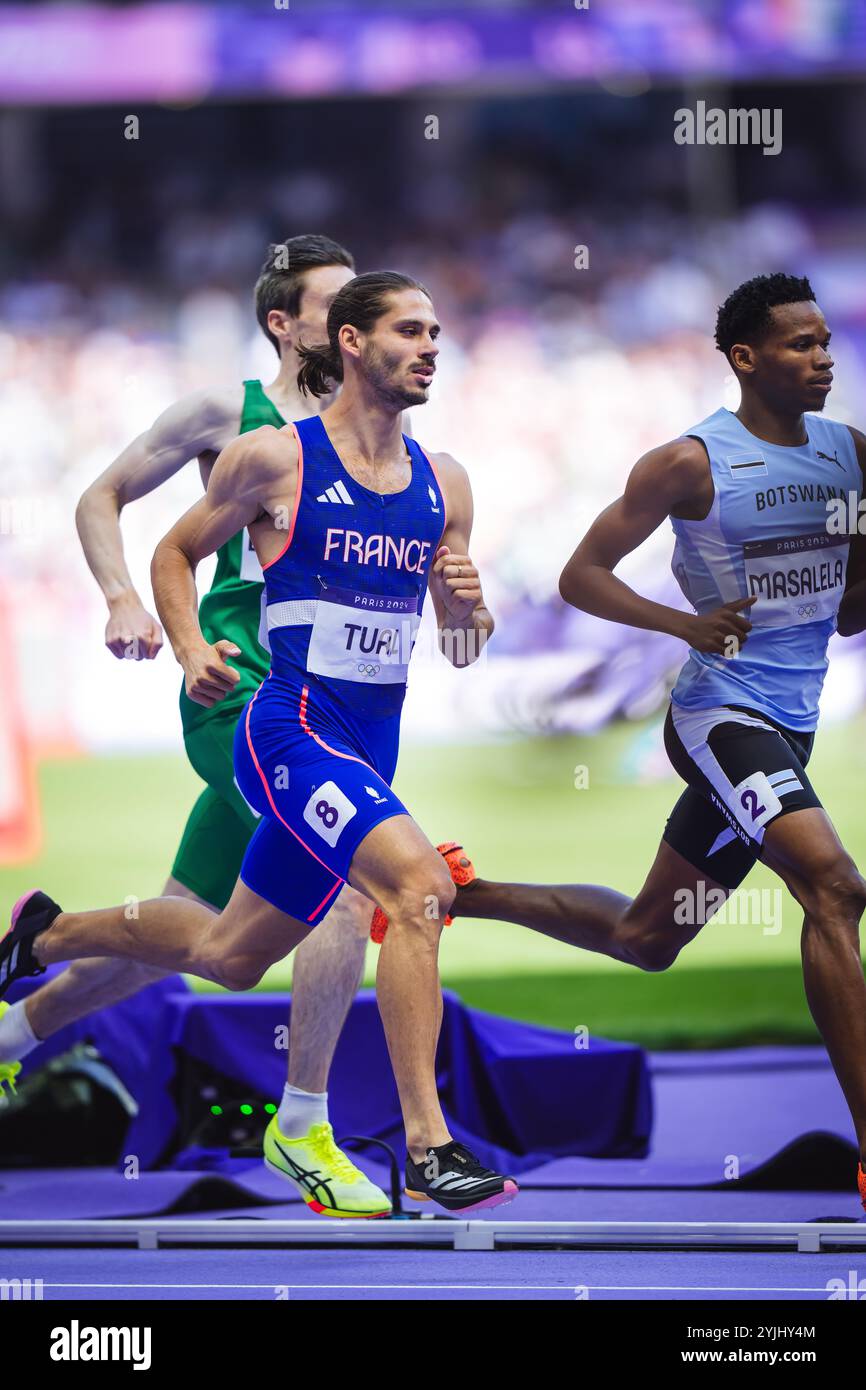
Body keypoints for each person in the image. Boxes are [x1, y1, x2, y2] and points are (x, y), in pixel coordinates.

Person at [1, 271, 518, 1214]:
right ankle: (419, 1140)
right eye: (412, 329)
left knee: (230, 952)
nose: (434, 345)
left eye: (440, 329)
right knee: (413, 887)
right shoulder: (271, 454)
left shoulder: (446, 482)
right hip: (281, 723)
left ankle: (46, 934)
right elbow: (168, 549)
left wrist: (466, 613)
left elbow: (459, 639)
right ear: (346, 340)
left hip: (370, 741)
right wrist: (188, 643)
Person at [383, 272, 866, 1211]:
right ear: (745, 358)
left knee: (650, 938)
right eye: (801, 345)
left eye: (825, 343)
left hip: (792, 723)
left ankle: (458, 891)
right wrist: (686, 626)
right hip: (720, 715)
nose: (823, 357)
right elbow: (581, 575)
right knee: (835, 886)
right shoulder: (689, 464)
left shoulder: (851, 454)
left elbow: (850, 609)